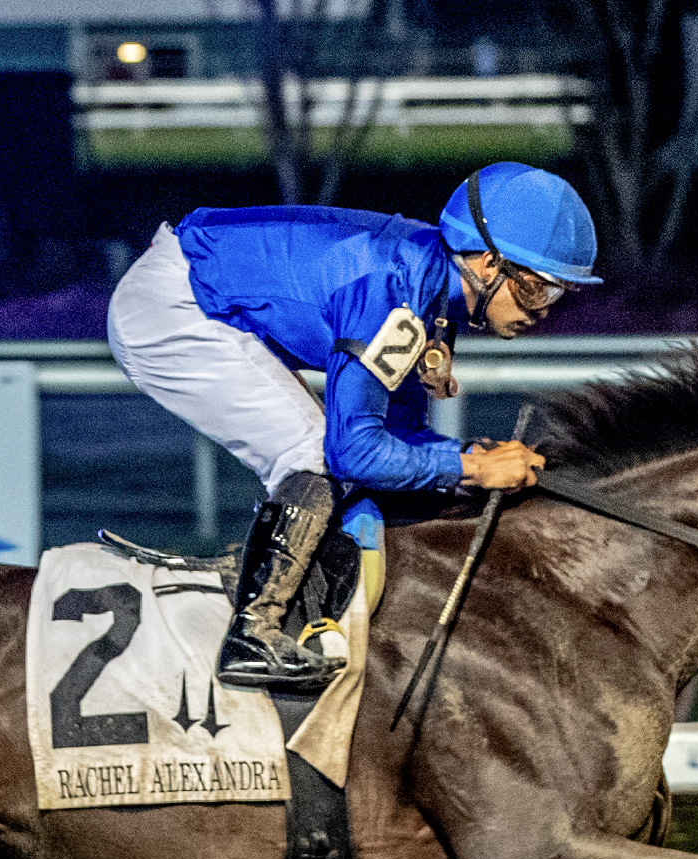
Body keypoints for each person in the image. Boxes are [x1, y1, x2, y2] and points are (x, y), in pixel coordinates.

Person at [106, 161, 598, 691]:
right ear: (486, 262)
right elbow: (354, 452)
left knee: (351, 474)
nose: (545, 311)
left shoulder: (431, 292)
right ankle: (252, 633)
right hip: (174, 308)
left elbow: (395, 438)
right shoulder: (392, 294)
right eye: (536, 290)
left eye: (558, 295)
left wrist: (467, 457)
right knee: (313, 453)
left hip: (203, 285)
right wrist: (474, 467)